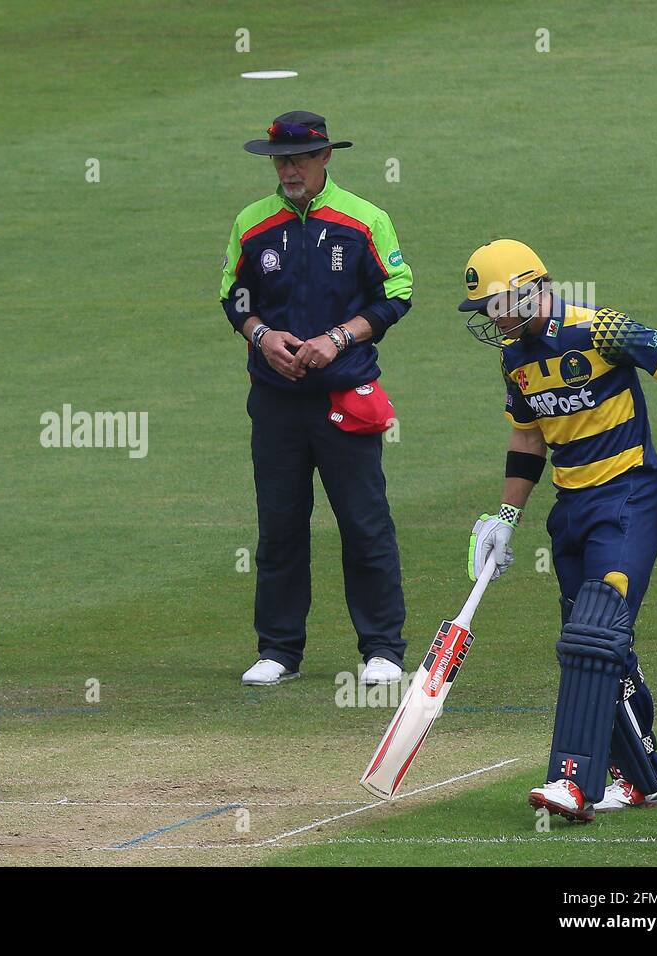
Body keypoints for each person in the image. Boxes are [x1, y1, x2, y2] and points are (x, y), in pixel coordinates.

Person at [459, 239, 657, 821]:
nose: (495, 318)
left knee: (592, 637)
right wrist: (505, 518)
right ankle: (642, 777)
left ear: (531, 288)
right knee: (599, 646)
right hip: (569, 506)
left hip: (628, 499)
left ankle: (573, 782)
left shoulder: (598, 328)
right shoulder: (514, 356)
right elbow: (527, 437)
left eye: (500, 304)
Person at [219, 111, 413, 687]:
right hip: (277, 401)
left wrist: (338, 337)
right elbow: (233, 294)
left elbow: (397, 293)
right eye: (280, 160)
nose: (289, 169)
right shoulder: (252, 224)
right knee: (279, 524)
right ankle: (278, 649)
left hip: (345, 397)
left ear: (326, 157)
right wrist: (261, 334)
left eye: (300, 158)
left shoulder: (365, 220)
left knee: (364, 522)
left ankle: (382, 647)